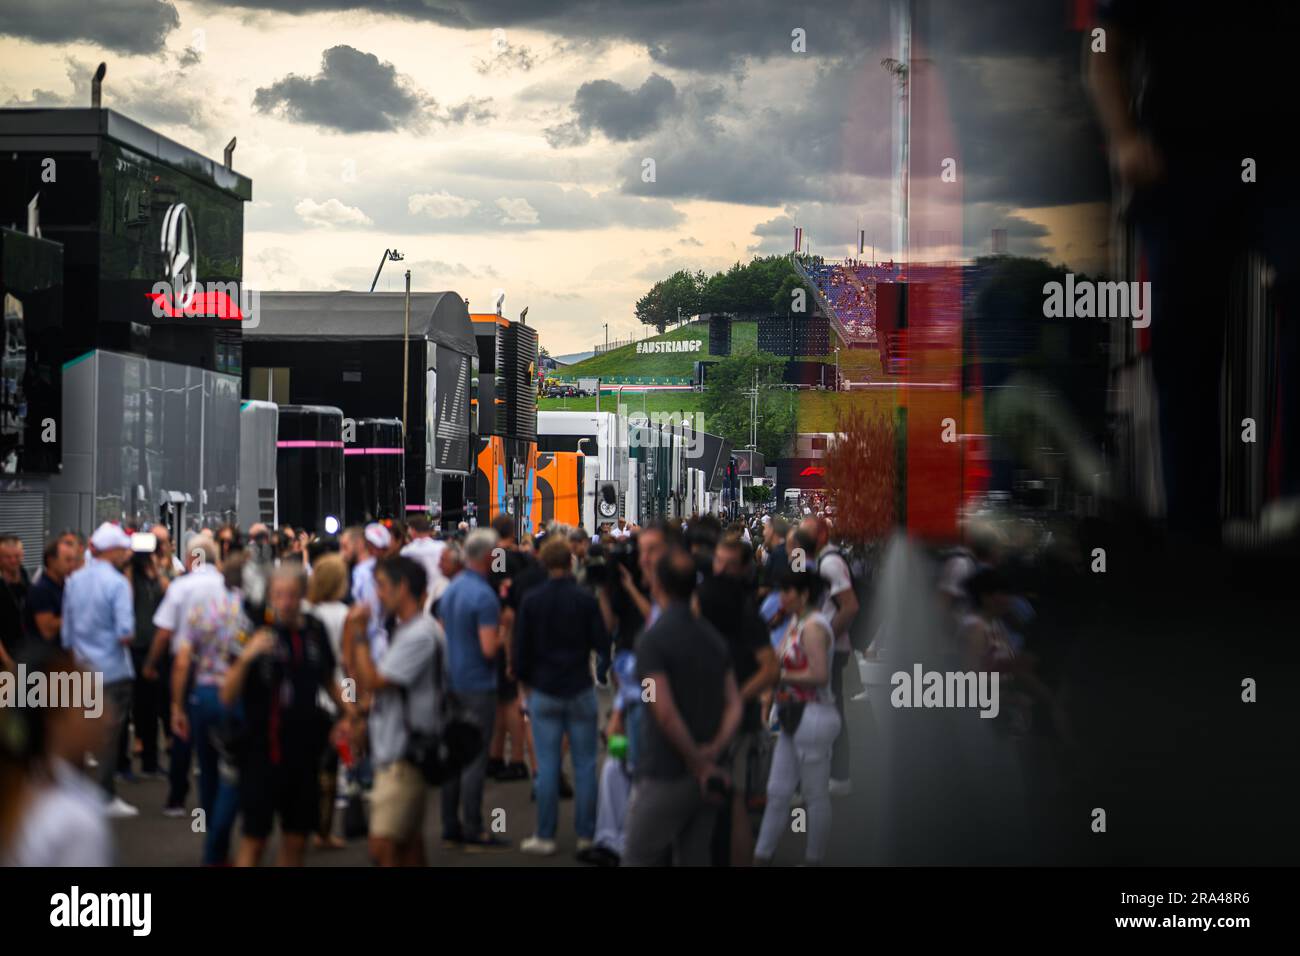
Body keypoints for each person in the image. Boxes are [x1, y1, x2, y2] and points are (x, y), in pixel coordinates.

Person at [221, 565, 353, 867]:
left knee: (296, 839)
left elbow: (329, 679)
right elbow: (227, 694)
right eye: (279, 595)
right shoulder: (254, 631)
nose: (286, 602)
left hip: (303, 752)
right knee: (255, 838)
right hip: (260, 752)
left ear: (303, 595)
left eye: (293, 595)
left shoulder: (314, 630)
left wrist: (349, 713)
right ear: (270, 596)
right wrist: (247, 656)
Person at [621, 547, 742, 867]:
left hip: (665, 771)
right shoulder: (713, 638)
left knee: (637, 856)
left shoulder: (653, 640)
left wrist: (695, 760)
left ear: (657, 584)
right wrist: (713, 751)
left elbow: (661, 710)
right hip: (710, 775)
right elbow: (734, 703)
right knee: (694, 857)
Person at [514, 536, 609, 856]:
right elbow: (601, 641)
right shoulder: (585, 599)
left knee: (547, 764)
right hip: (580, 687)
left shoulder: (532, 600)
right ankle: (586, 834)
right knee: (585, 765)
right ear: (571, 563)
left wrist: (526, 686)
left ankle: (545, 834)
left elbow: (520, 651)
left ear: (543, 562)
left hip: (544, 689)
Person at [344, 556, 440, 866]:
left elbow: (375, 680)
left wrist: (358, 634)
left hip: (402, 759)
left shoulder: (418, 634)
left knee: (382, 846)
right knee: (409, 846)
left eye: (382, 587)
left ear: (403, 588)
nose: (377, 595)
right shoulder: (408, 630)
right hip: (401, 753)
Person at [695, 533, 780, 865]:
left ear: (745, 569)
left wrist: (737, 699)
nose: (723, 569)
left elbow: (770, 668)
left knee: (736, 800)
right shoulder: (700, 602)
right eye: (719, 561)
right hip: (702, 719)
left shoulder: (746, 612)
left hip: (737, 727)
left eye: (731, 564)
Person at [753, 568, 839, 865]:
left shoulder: (813, 627)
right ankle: (762, 855)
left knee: (815, 794)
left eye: (788, 591)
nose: (782, 597)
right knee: (777, 791)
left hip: (814, 716)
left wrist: (781, 675)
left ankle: (813, 858)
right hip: (794, 715)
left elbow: (818, 674)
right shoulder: (796, 622)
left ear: (804, 595)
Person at [0, 644, 113, 866]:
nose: (108, 716)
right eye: (90, 703)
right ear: (56, 718)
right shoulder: (74, 821)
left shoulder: (20, 793)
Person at [173, 551, 249, 865]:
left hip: (202, 695)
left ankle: (212, 843)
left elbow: (181, 660)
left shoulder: (203, 609)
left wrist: (177, 705)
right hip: (237, 696)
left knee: (207, 769)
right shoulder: (251, 612)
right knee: (235, 772)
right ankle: (218, 840)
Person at [434, 528, 508, 851]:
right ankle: (475, 828)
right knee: (475, 759)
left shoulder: (452, 590)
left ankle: (450, 825)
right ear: (490, 556)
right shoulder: (485, 597)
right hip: (478, 685)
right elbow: (489, 648)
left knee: (452, 755)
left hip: (451, 681)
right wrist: (505, 632)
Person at [144, 536, 229, 816]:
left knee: (181, 726)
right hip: (219, 664)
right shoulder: (226, 586)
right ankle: (215, 794)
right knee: (217, 729)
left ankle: (177, 797)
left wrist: (150, 663)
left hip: (182, 662)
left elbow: (164, 631)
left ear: (192, 558)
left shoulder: (181, 586)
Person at [59, 522, 138, 818]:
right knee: (108, 737)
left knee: (78, 735)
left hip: (81, 668)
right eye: (122, 549)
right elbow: (125, 632)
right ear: (114, 551)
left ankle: (75, 795)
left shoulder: (74, 581)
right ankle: (105, 796)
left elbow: (66, 633)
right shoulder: (117, 584)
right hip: (112, 671)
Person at [799, 517, 859, 795]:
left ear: (822, 535)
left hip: (833, 650)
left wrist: (825, 638)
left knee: (831, 708)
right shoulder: (826, 560)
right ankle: (834, 773)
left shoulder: (830, 563)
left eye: (807, 534)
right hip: (833, 648)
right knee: (828, 707)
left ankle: (838, 774)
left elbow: (849, 606)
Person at [307, 553, 350, 849]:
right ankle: (324, 829)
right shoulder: (346, 614)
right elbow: (349, 660)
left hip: (309, 692)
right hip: (338, 688)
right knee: (333, 763)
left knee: (309, 761)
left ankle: (305, 826)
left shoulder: (307, 613)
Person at [119, 539, 165, 780]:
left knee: (150, 707)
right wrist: (129, 564)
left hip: (151, 647)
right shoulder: (128, 576)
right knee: (128, 707)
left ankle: (151, 761)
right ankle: (123, 765)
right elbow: (126, 596)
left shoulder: (153, 575)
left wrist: (155, 566)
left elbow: (165, 589)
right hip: (132, 648)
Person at [23, 534, 75, 645]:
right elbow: (47, 631)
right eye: (67, 560)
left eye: (73, 560)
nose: (72, 565)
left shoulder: (65, 584)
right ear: (51, 561)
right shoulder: (41, 589)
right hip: (40, 658)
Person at [400, 516, 446, 613]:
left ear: (412, 530)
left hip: (418, 600)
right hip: (441, 596)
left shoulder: (407, 551)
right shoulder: (442, 547)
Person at [0, 533, 29, 669]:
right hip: (5, 655)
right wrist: (6, 660)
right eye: (8, 557)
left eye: (17, 556)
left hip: (25, 651)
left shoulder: (24, 575)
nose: (13, 561)